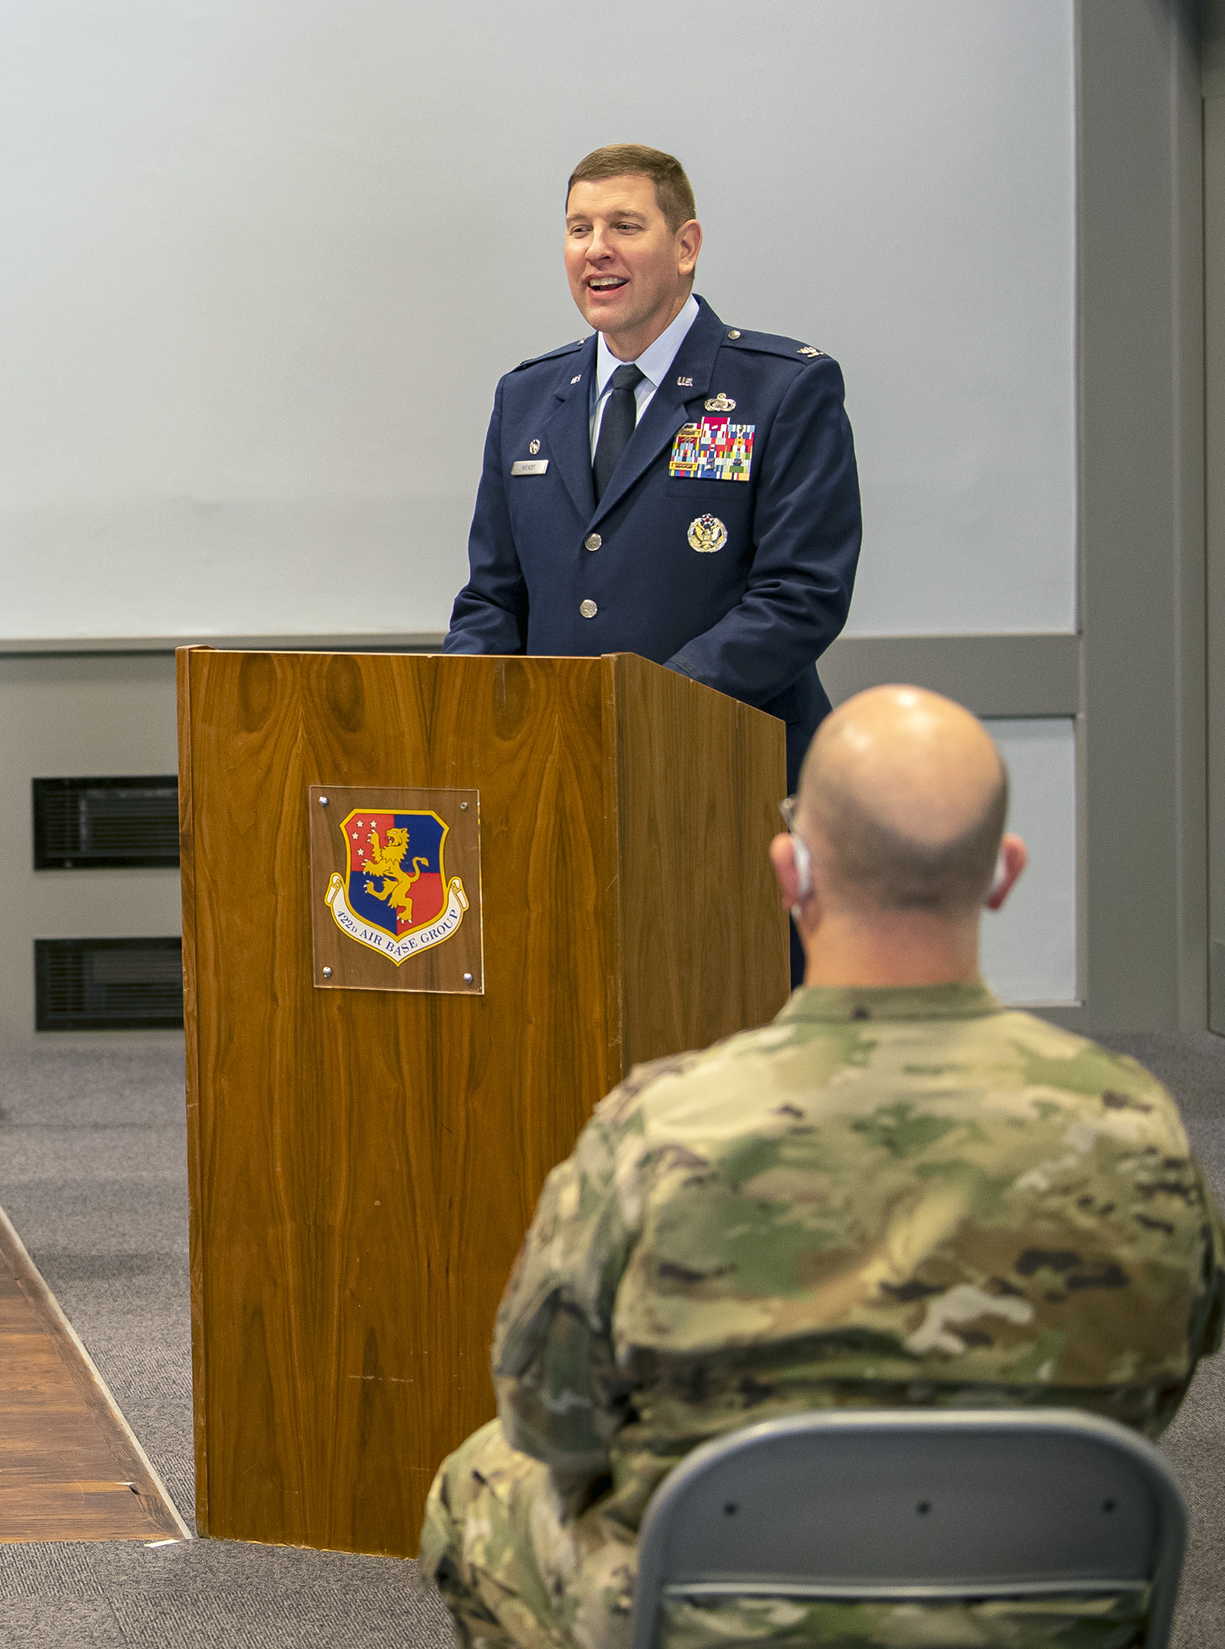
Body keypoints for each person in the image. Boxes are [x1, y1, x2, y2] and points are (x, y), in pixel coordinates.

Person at [421, 685, 1225, 1649]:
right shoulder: (1133, 1123)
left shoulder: (662, 1128)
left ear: (791, 869)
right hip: (1038, 1616)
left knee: (478, 1477)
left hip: (718, 1624)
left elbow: (551, 1419)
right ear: (1003, 874)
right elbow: (1164, 1374)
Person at [446, 144, 861, 791]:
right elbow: (493, 597)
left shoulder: (781, 390)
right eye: (579, 228)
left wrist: (651, 704)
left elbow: (801, 596)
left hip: (724, 776)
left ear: (686, 246)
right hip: (561, 776)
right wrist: (456, 709)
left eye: (625, 226)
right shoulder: (526, 396)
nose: (595, 248)